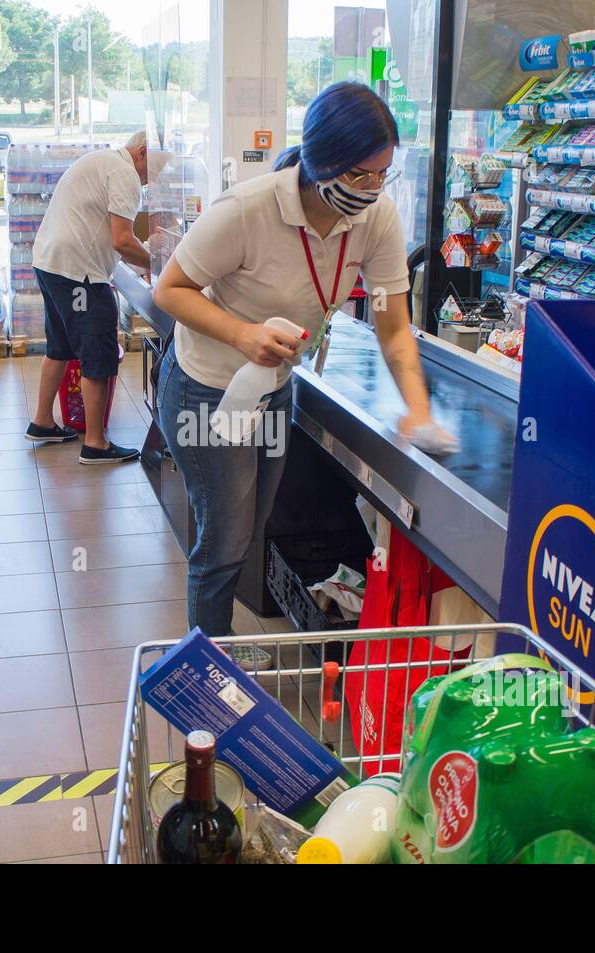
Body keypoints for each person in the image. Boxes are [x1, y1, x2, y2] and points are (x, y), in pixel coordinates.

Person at [152, 82, 453, 637]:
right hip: (207, 391)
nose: (371, 188)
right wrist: (243, 335)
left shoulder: (376, 218)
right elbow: (169, 290)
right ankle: (207, 673)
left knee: (254, 523)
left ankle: (218, 651)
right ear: (321, 162)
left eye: (382, 173)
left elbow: (392, 324)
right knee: (223, 542)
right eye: (360, 175)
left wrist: (419, 409)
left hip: (272, 388)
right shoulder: (246, 209)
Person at [27, 129, 152, 464]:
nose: (151, 180)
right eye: (153, 169)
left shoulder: (104, 162)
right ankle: (95, 443)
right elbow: (122, 241)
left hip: (51, 263)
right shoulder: (124, 173)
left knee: (60, 346)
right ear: (141, 153)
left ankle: (42, 421)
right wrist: (160, 264)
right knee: (97, 353)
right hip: (79, 274)